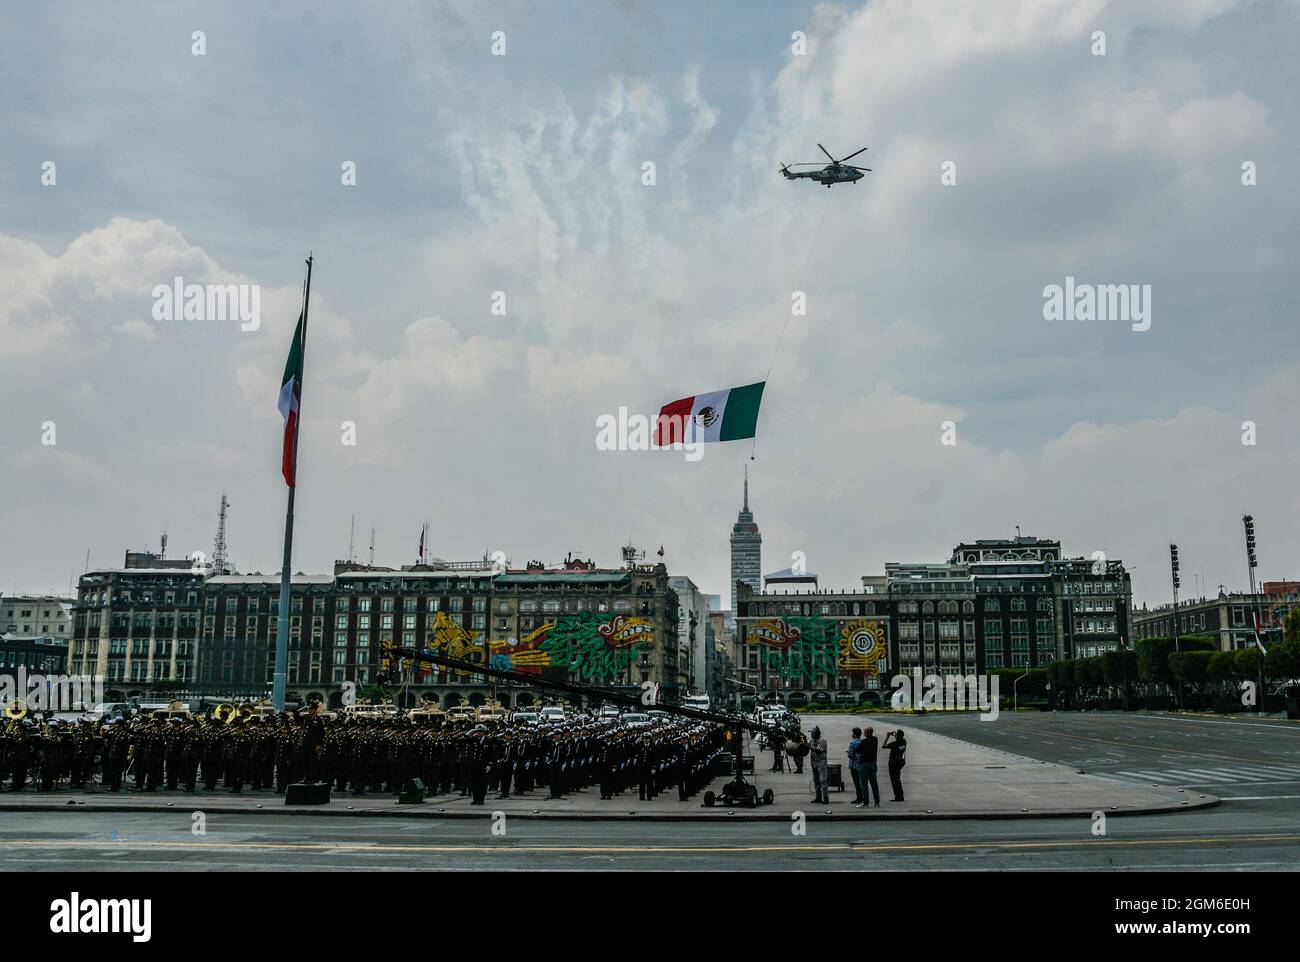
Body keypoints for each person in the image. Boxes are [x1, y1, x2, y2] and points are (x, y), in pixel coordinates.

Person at [859, 726, 881, 807]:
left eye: (864, 732)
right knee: (874, 783)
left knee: (864, 784)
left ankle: (865, 802)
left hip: (864, 764)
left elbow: (858, 750)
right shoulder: (875, 739)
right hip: (873, 764)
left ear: (866, 733)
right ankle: (877, 802)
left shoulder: (863, 741)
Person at [883, 729, 906, 802]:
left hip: (893, 763)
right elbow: (900, 737)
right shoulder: (904, 741)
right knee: (897, 779)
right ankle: (900, 795)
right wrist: (894, 734)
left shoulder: (894, 744)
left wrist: (887, 736)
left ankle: (897, 796)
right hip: (900, 762)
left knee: (894, 780)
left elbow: (883, 746)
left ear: (897, 736)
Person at [808, 725, 829, 804]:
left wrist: (809, 747)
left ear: (816, 733)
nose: (811, 734)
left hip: (821, 762)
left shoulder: (822, 740)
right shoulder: (812, 741)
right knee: (816, 781)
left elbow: (819, 750)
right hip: (814, 763)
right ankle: (818, 797)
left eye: (812, 733)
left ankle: (825, 798)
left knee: (823, 781)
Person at [846, 727, 863, 805]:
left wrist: (848, 752)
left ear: (854, 734)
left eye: (853, 733)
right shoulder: (862, 742)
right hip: (861, 764)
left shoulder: (853, 743)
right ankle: (863, 797)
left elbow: (851, 755)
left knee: (856, 783)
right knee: (861, 782)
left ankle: (859, 798)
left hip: (854, 765)